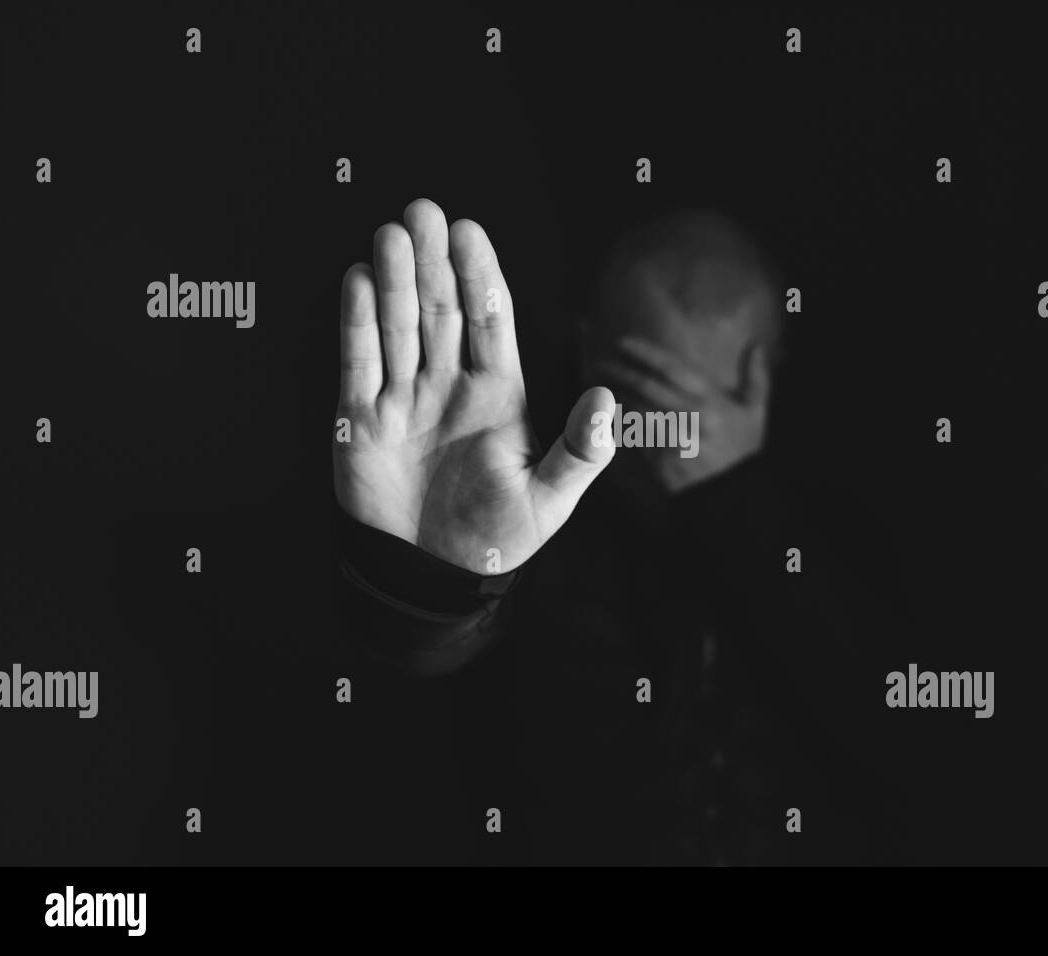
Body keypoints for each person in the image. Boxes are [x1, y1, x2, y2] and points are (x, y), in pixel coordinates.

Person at [331, 199, 904, 864]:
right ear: (587, 357)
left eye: (687, 400)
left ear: (759, 376)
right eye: (644, 393)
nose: (662, 434)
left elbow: (913, 751)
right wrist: (432, 577)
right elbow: (419, 680)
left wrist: (736, 506)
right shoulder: (529, 522)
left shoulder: (837, 542)